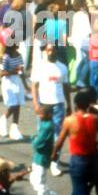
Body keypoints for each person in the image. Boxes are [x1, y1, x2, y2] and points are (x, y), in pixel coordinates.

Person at [52, 90, 98, 195]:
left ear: (76, 104)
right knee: (84, 190)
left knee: (78, 191)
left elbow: (59, 142)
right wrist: (97, 113)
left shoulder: (69, 120)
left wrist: (54, 155)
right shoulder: (94, 118)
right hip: (93, 159)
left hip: (78, 160)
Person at [32, 40, 68, 175]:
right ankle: (39, 161)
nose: (50, 52)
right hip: (44, 104)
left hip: (58, 104)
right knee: (42, 133)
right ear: (45, 51)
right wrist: (36, 104)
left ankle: (54, 162)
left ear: (57, 51)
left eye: (53, 49)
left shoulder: (63, 68)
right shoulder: (39, 67)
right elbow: (34, 86)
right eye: (48, 50)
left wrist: (69, 104)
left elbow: (65, 86)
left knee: (58, 135)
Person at [0, 42, 27, 140]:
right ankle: (3, 119)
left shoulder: (19, 55)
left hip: (17, 81)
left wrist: (26, 85)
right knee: (13, 105)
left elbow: (21, 72)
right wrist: (13, 71)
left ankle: (14, 128)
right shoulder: (6, 57)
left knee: (18, 105)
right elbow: (1, 73)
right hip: (8, 83)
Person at [29, 105, 58, 195]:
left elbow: (38, 143)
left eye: (42, 114)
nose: (40, 116)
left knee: (39, 182)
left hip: (42, 158)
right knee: (35, 179)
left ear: (49, 115)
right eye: (39, 114)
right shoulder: (45, 123)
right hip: (39, 156)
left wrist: (33, 139)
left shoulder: (47, 126)